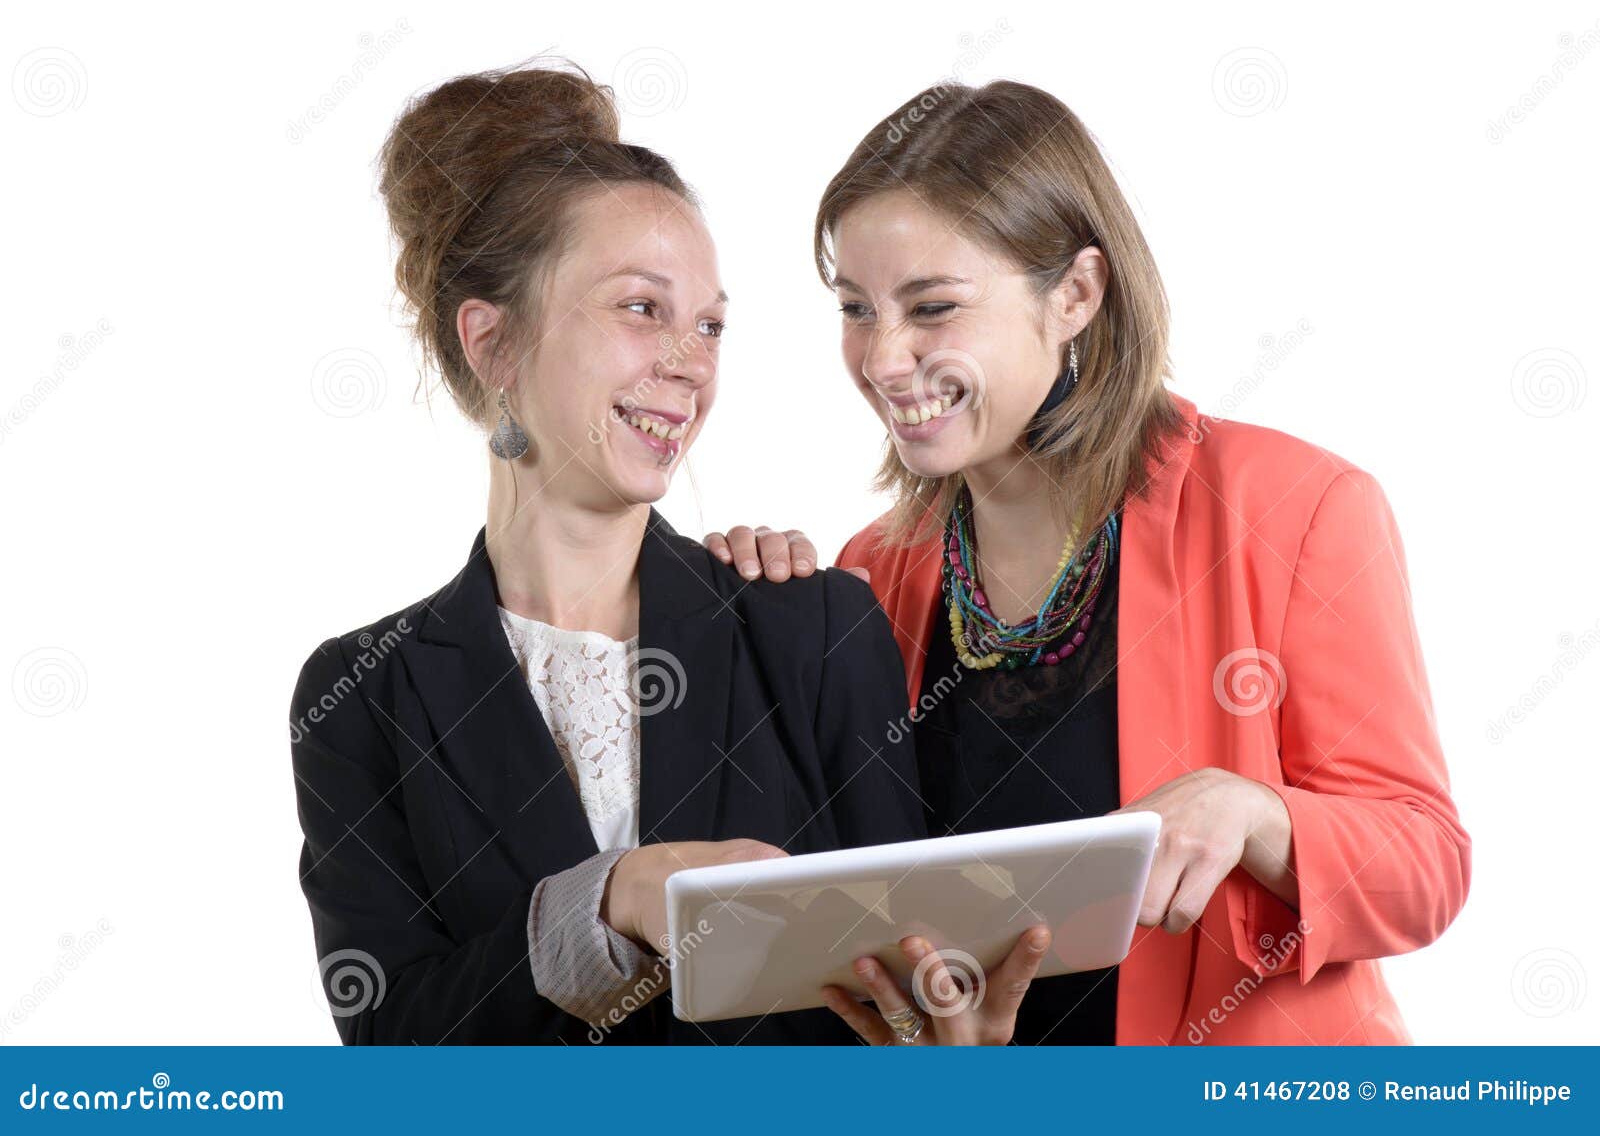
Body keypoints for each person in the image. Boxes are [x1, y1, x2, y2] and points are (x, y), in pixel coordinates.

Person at [288, 62, 1050, 1045]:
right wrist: (610, 901)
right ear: (493, 345)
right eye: (642, 309)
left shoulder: (813, 626)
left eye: (711, 325)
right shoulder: (363, 695)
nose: (690, 364)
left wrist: (952, 1049)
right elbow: (394, 1049)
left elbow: (903, 999)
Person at [706, 79, 1471, 1045]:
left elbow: (1427, 867)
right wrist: (744, 621)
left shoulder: (1295, 506)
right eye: (857, 308)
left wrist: (1255, 813)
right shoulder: (877, 568)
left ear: (1075, 294)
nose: (884, 358)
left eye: (932, 306)